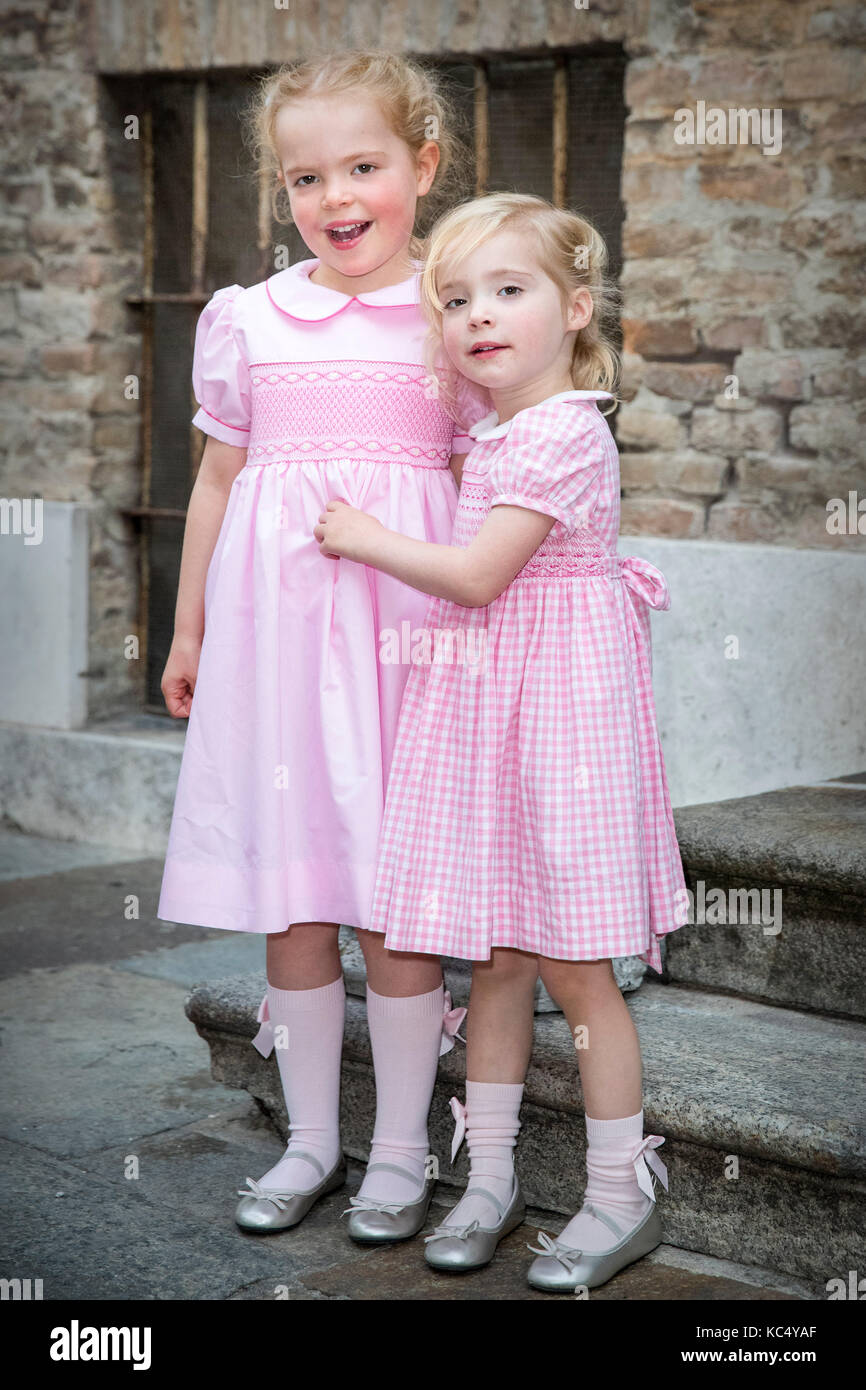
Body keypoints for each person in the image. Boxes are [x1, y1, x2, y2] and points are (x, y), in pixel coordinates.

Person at [314, 191, 689, 1292]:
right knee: (494, 959)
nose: (477, 316)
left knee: (574, 967)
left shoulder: (565, 431)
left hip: (560, 721)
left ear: (575, 308)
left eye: (508, 290)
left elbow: (478, 575)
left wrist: (365, 536)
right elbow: (418, 380)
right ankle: (490, 1174)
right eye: (455, 300)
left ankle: (620, 1194)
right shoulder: (494, 427)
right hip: (491, 712)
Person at [156, 48, 491, 1242]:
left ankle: (398, 1154)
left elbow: (480, 483)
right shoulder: (250, 318)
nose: (337, 197)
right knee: (293, 898)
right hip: (276, 646)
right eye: (308, 177)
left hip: (409, 642)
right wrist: (190, 624)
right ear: (280, 189)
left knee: (394, 900)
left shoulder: (458, 316)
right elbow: (216, 478)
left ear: (424, 165)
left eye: (365, 166)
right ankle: (309, 1141)